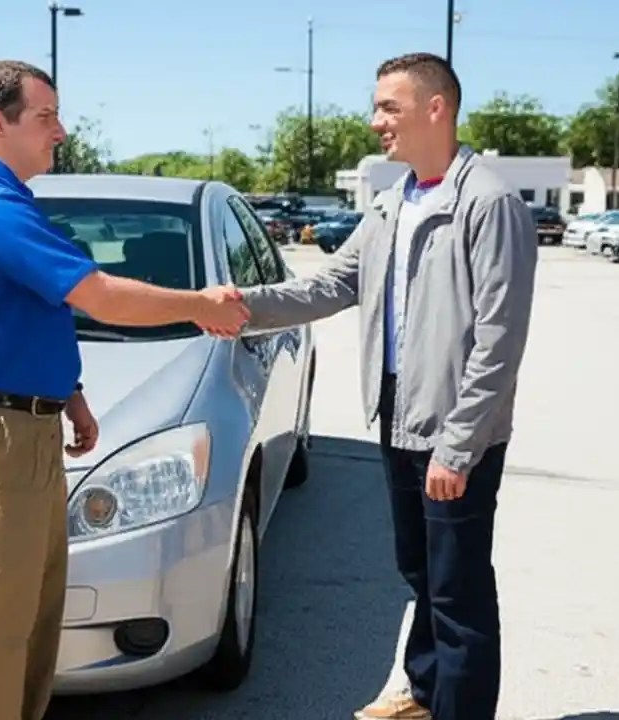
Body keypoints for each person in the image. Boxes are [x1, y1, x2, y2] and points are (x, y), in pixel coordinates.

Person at [0, 59, 248, 720]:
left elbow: (35, 311)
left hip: (23, 427)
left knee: (35, 609)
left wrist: (68, 393)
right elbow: (97, 297)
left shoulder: (10, 203)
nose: (61, 131)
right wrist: (199, 303)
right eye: (45, 116)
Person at [220, 53, 538, 720]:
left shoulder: (488, 202)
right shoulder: (394, 205)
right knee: (422, 572)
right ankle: (424, 692)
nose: (375, 122)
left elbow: (498, 341)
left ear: (436, 108)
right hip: (398, 413)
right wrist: (239, 304)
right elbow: (330, 284)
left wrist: (459, 445)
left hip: (456, 428)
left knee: (459, 590)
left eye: (388, 107)